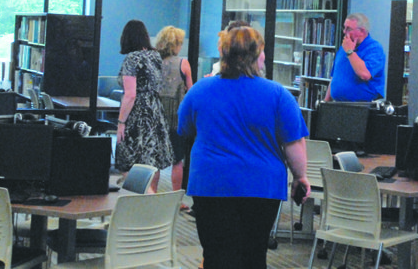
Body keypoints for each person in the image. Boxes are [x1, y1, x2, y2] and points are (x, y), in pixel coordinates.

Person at [178, 25, 310, 269]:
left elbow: (185, 129)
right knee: (253, 255)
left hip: (211, 183)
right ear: (256, 55)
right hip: (261, 187)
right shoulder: (278, 95)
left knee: (216, 255)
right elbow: (294, 143)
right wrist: (300, 177)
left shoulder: (199, 91)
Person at [116, 19, 174, 193]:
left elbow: (130, 94)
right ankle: (152, 197)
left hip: (137, 114)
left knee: (129, 161)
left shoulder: (132, 59)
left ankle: (143, 197)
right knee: (152, 160)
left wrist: (121, 122)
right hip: (155, 110)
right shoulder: (155, 56)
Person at [154, 25, 194, 197]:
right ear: (175, 44)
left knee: (155, 160)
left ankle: (152, 195)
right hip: (176, 117)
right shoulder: (183, 63)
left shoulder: (153, 62)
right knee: (177, 160)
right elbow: (191, 92)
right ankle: (176, 198)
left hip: (156, 115)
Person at [325, 13, 385, 102]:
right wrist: (325, 102)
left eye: (348, 29)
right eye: (344, 28)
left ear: (362, 31)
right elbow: (335, 77)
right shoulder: (344, 48)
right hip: (338, 104)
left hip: (362, 105)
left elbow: (365, 74)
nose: (344, 32)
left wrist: (350, 52)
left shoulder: (374, 48)